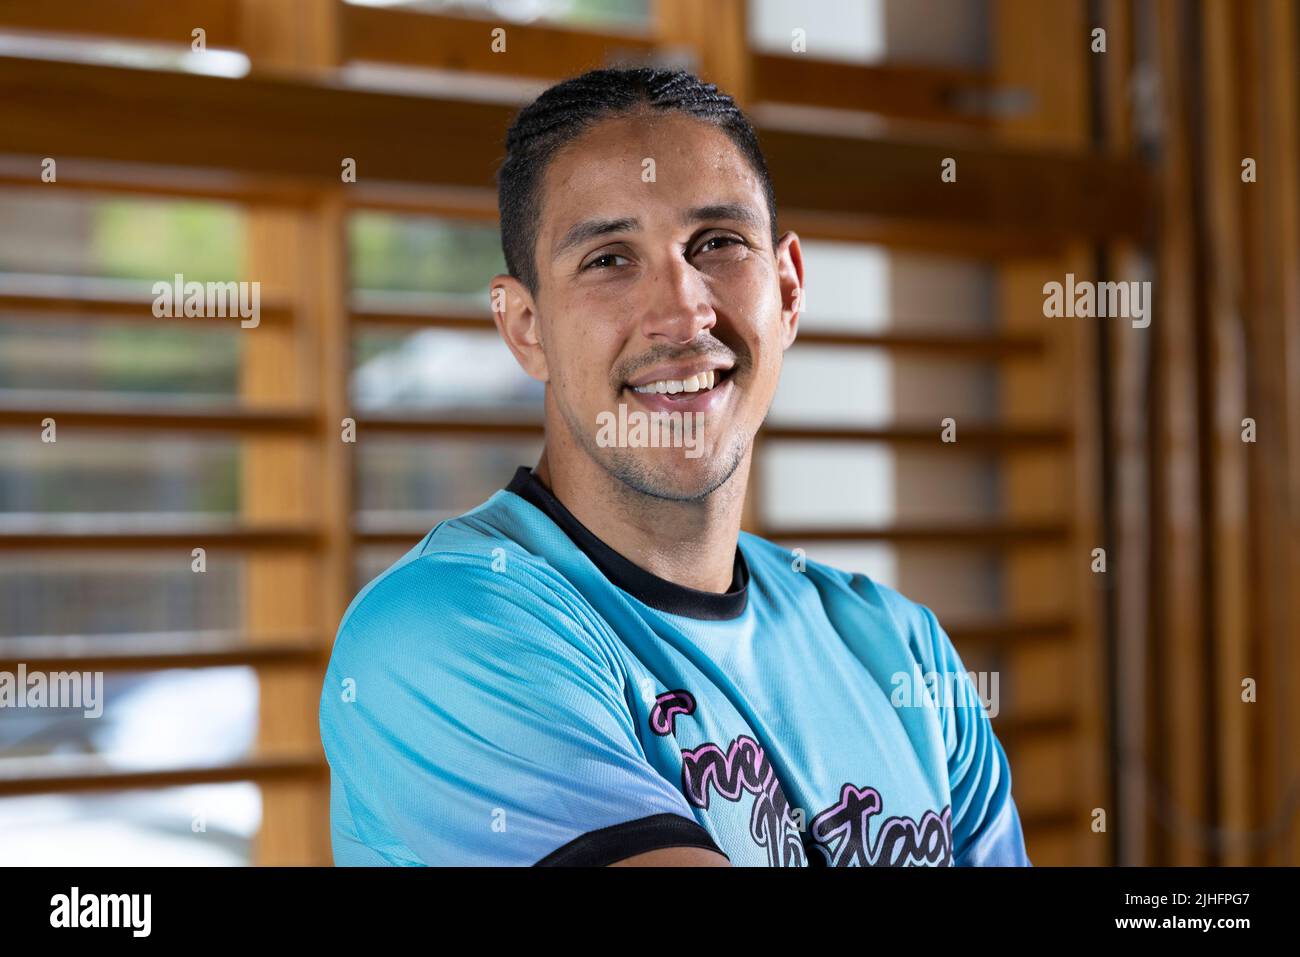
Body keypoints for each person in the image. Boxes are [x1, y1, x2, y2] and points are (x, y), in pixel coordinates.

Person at [319, 67, 1031, 867]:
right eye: (609, 259)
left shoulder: (901, 650)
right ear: (525, 327)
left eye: (718, 243)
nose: (683, 311)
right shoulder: (440, 632)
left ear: (789, 291)